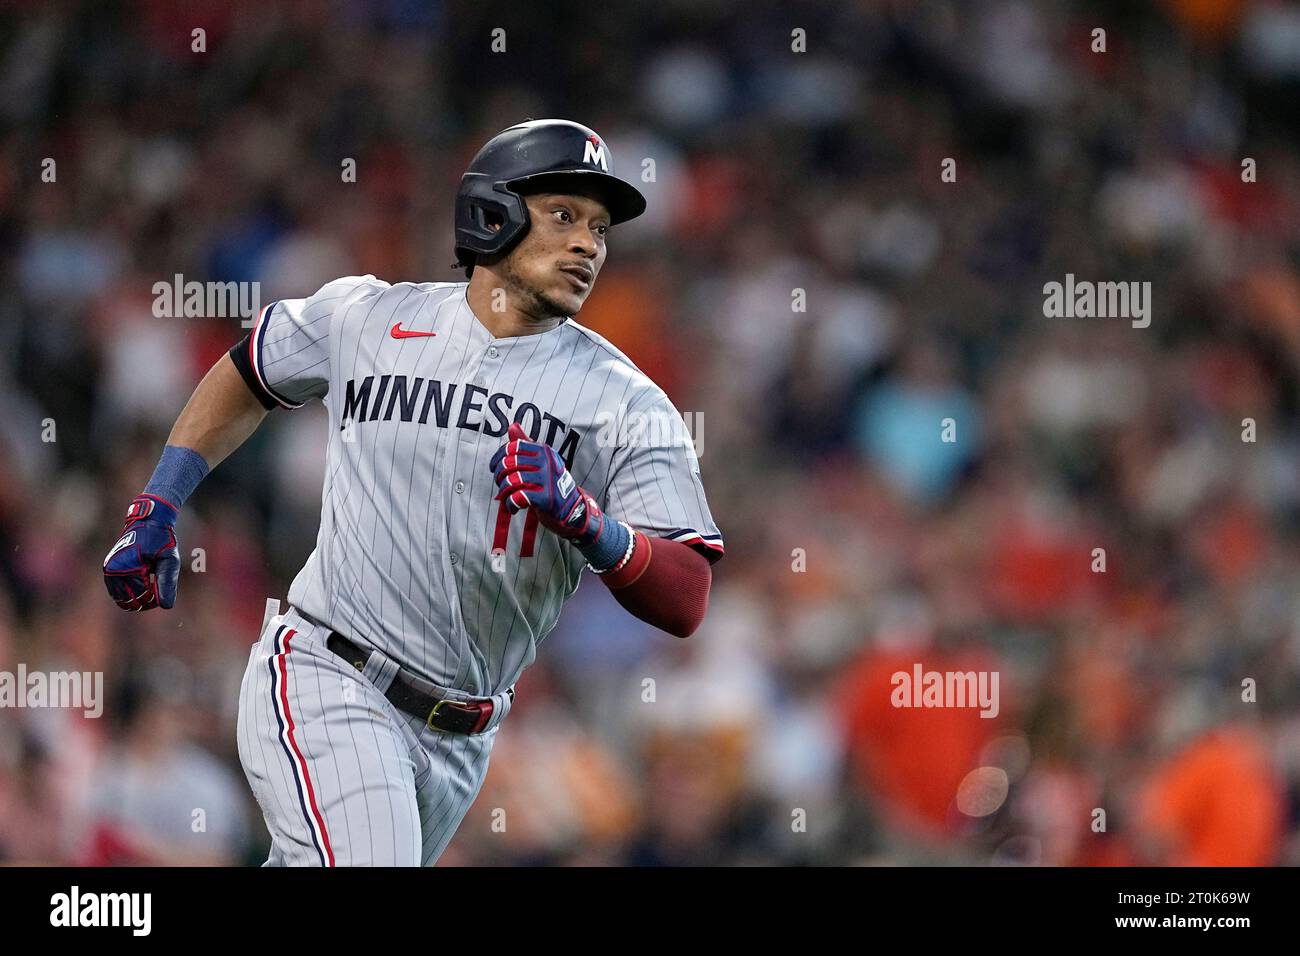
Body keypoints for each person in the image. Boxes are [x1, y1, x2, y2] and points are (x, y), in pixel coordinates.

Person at [101, 119, 725, 866]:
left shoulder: (628, 402)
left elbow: (688, 597)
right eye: (563, 215)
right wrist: (160, 503)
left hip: (461, 737)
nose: (588, 244)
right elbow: (252, 370)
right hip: (330, 672)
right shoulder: (371, 318)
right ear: (492, 212)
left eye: (599, 227)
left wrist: (593, 526)